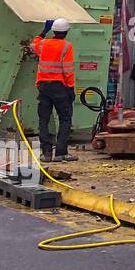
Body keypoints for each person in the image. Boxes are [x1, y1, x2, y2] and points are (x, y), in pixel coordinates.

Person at [30, 18, 77, 162]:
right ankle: (61, 153)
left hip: (44, 87)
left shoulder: (43, 44)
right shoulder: (66, 46)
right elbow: (68, 70)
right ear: (66, 32)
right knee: (65, 118)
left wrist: (44, 31)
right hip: (60, 87)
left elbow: (33, 45)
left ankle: (46, 153)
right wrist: (71, 88)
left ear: (53, 30)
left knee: (43, 119)